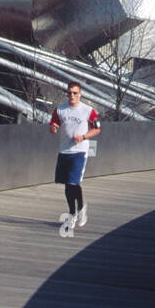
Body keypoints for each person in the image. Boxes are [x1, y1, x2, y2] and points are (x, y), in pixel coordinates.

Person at [49, 81, 100, 229]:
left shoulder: (88, 110)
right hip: (64, 150)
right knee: (67, 184)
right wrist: (53, 128)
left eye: (75, 93)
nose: (72, 95)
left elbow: (97, 129)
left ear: (80, 94)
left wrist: (83, 137)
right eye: (69, 92)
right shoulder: (60, 110)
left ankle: (80, 210)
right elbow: (54, 125)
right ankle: (72, 213)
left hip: (80, 150)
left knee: (73, 182)